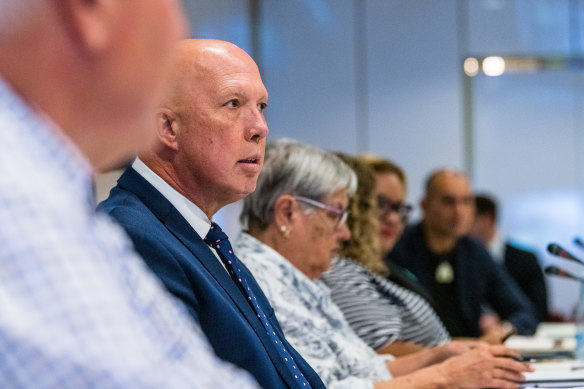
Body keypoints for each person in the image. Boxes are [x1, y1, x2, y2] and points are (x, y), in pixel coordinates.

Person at [0, 2, 260, 389]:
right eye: (172, 3)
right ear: (90, 10)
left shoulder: (60, 197)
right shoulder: (18, 201)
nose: (259, 128)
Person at [98, 39, 325, 389]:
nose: (260, 128)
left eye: (261, 106)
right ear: (168, 129)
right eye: (233, 104)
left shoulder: (202, 236)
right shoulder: (129, 237)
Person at [235, 139, 531, 389]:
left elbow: (364, 368)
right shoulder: (260, 282)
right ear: (287, 213)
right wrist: (446, 375)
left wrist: (441, 356)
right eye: (335, 214)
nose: (346, 232)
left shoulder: (296, 279)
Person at [321, 154, 451, 356]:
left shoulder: (384, 269)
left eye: (398, 208)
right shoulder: (336, 269)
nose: (391, 218)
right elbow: (381, 351)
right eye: (378, 204)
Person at [388, 169, 539, 342]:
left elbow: (525, 312)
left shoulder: (474, 252)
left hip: (469, 355)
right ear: (425, 205)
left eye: (466, 202)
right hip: (416, 356)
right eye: (448, 202)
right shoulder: (397, 248)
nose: (459, 211)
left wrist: (502, 330)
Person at [471, 193, 548, 322]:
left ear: (489, 219)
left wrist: (503, 322)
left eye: (471, 220)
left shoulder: (525, 259)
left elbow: (538, 309)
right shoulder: (460, 258)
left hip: (515, 334)